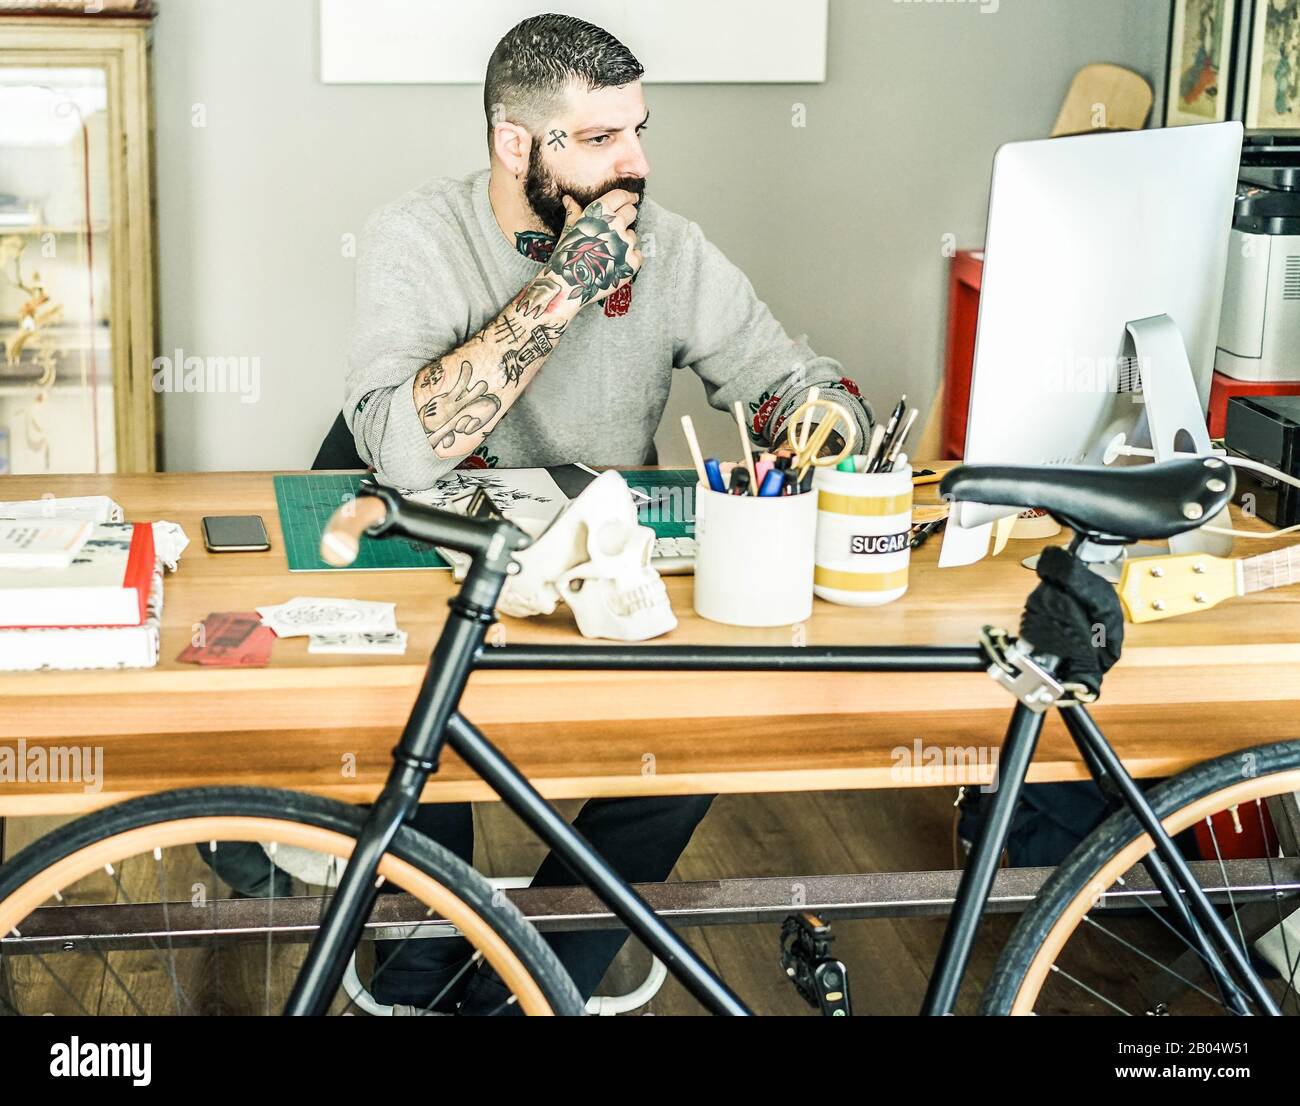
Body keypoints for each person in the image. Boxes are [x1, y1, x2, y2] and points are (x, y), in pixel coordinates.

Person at [342, 12, 875, 1014]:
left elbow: (784, 377)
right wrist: (567, 281)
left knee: (706, 726)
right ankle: (423, 960)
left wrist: (820, 415)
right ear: (515, 145)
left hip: (584, 554)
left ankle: (526, 971)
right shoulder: (417, 235)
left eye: (639, 129)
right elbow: (403, 446)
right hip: (435, 543)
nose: (633, 162)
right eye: (598, 139)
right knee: (405, 715)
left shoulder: (672, 249)